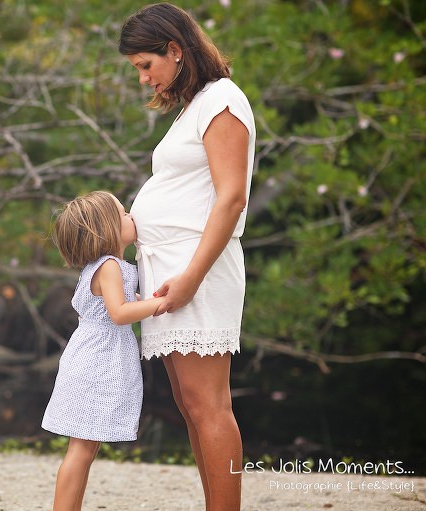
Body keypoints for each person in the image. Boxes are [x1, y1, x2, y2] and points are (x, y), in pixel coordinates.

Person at [119, 3, 256, 511]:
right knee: (190, 404)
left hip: (196, 270)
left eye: (145, 65)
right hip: (171, 269)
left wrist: (192, 279)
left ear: (174, 49)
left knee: (209, 405)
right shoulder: (194, 105)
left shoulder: (222, 101)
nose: (142, 79)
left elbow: (231, 197)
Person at [42, 190, 164, 511]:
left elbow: (122, 305)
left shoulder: (108, 266)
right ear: (106, 229)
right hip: (96, 363)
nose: (131, 217)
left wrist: (145, 300)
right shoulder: (109, 265)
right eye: (124, 214)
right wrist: (159, 304)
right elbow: (119, 312)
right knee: (81, 449)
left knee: (86, 447)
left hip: (95, 356)